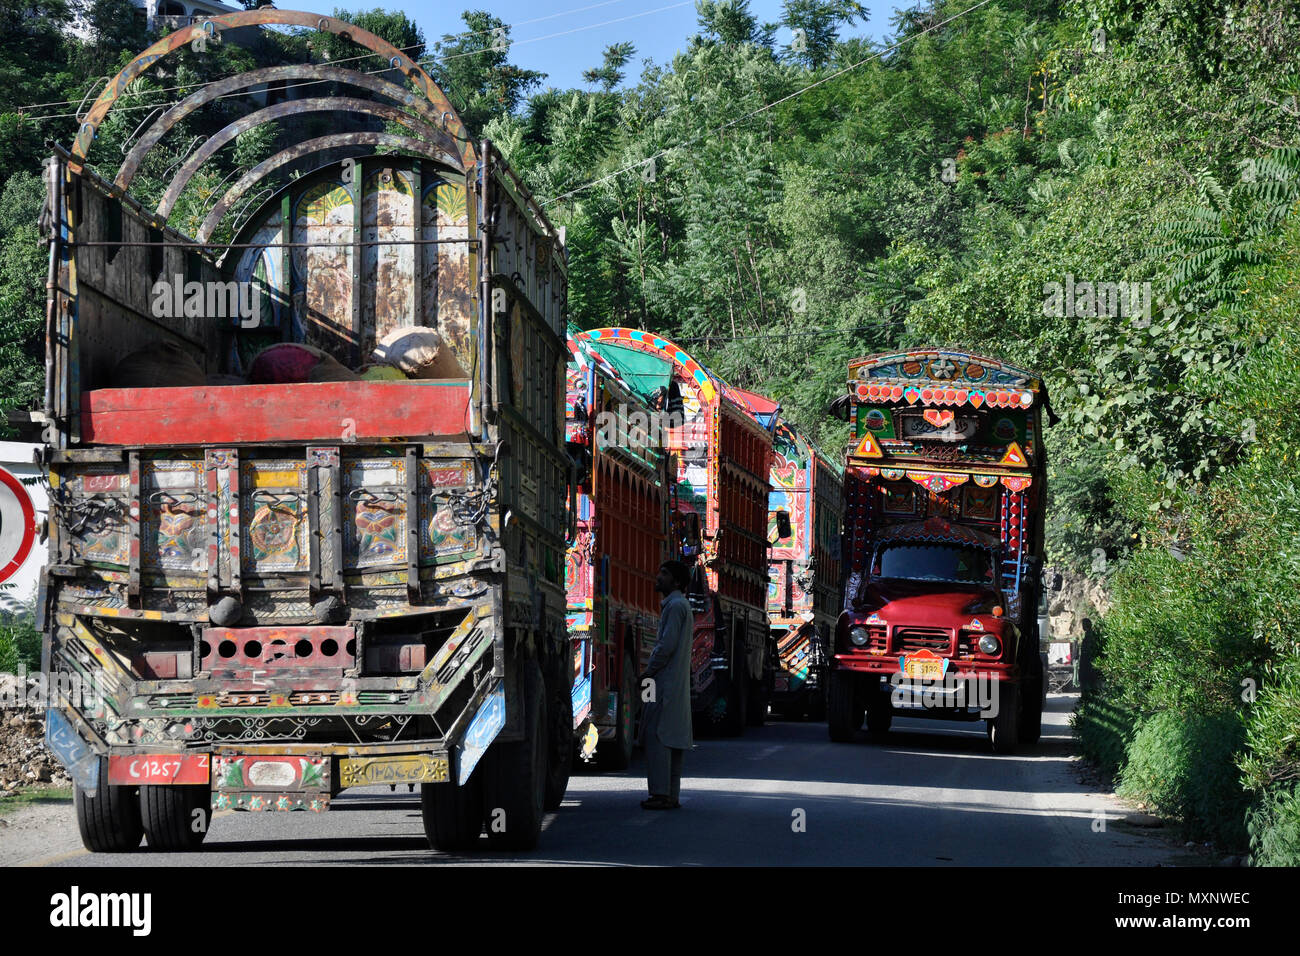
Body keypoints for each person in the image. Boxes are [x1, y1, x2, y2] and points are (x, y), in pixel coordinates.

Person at [638, 559, 694, 809]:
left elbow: (666, 646)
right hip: (671, 684)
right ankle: (670, 794)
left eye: (665, 574)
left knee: (656, 734)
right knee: (672, 736)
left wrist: (648, 672)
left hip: (662, 683)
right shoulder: (679, 605)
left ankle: (660, 794)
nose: (659, 577)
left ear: (677, 582)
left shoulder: (675, 606)